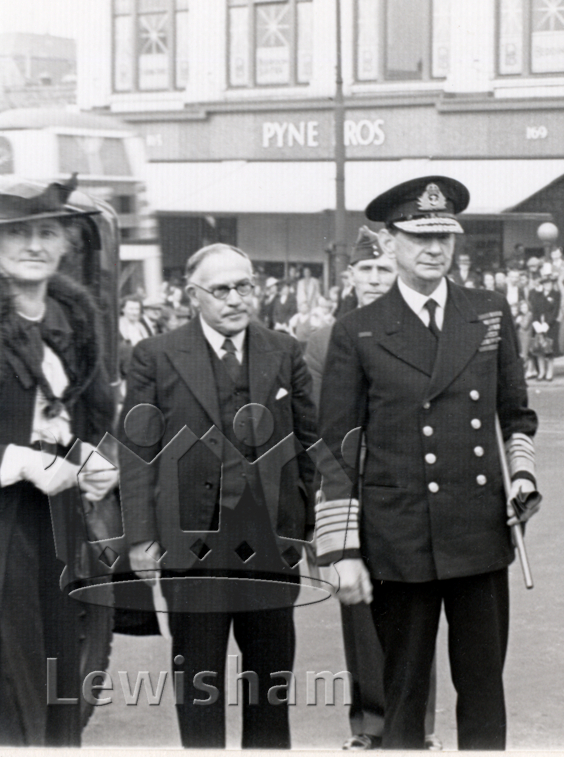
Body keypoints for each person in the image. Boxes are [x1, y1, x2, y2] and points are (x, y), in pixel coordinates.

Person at [313, 175, 540, 751]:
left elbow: (515, 413)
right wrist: (342, 551)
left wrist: (522, 476)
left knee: (484, 692)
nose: (435, 249)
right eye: (420, 237)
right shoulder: (358, 331)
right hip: (399, 540)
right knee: (404, 696)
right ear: (390, 243)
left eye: (444, 236)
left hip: (479, 533)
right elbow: (338, 448)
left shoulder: (488, 312)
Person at [120, 243, 317, 749]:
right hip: (192, 546)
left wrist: (312, 525)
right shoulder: (156, 355)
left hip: (270, 541)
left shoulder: (284, 350)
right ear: (193, 296)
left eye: (244, 286)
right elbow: (137, 452)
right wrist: (140, 537)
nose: (235, 299)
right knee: (198, 679)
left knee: (270, 679)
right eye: (221, 289)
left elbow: (310, 441)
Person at [302, 227, 441, 751]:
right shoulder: (326, 340)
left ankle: (417, 727)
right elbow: (321, 431)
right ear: (350, 276)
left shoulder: (424, 330)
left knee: (417, 613)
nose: (377, 278)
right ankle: (371, 724)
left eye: (385, 268)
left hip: (409, 493)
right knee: (360, 613)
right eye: (367, 269)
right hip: (351, 495)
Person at [0, 175, 119, 746]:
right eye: (16, 233)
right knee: (12, 679)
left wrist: (90, 455)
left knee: (59, 675)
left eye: (47, 232)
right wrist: (20, 461)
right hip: (5, 522)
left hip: (59, 523)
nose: (33, 245)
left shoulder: (73, 322)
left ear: (66, 244)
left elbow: (80, 416)